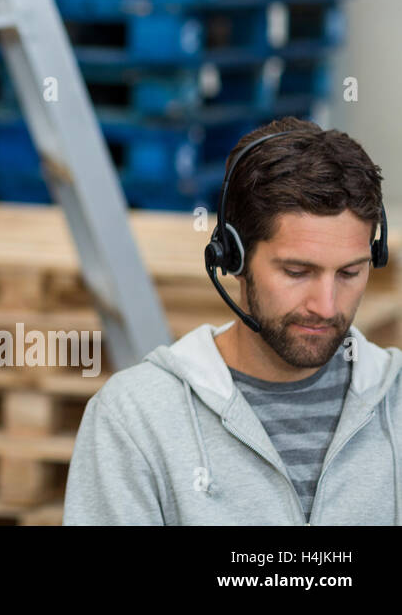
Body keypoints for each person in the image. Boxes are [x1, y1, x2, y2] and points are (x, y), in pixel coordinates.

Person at [63, 117, 402, 524]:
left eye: (350, 273)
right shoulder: (136, 419)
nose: (327, 307)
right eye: (297, 272)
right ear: (233, 259)